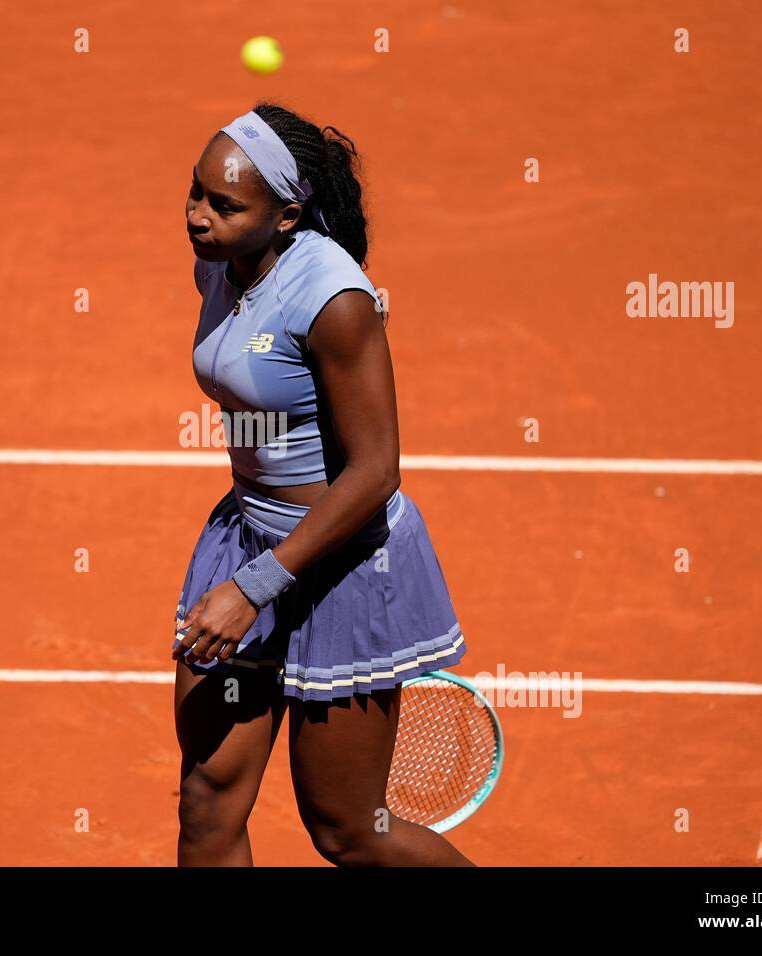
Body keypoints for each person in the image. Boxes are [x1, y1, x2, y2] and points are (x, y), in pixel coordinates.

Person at [173, 102, 473, 867]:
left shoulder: (336, 301)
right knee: (207, 805)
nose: (198, 215)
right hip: (248, 540)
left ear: (286, 216)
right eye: (196, 191)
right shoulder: (220, 263)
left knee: (348, 832)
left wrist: (256, 589)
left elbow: (376, 471)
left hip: (341, 569)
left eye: (224, 204)